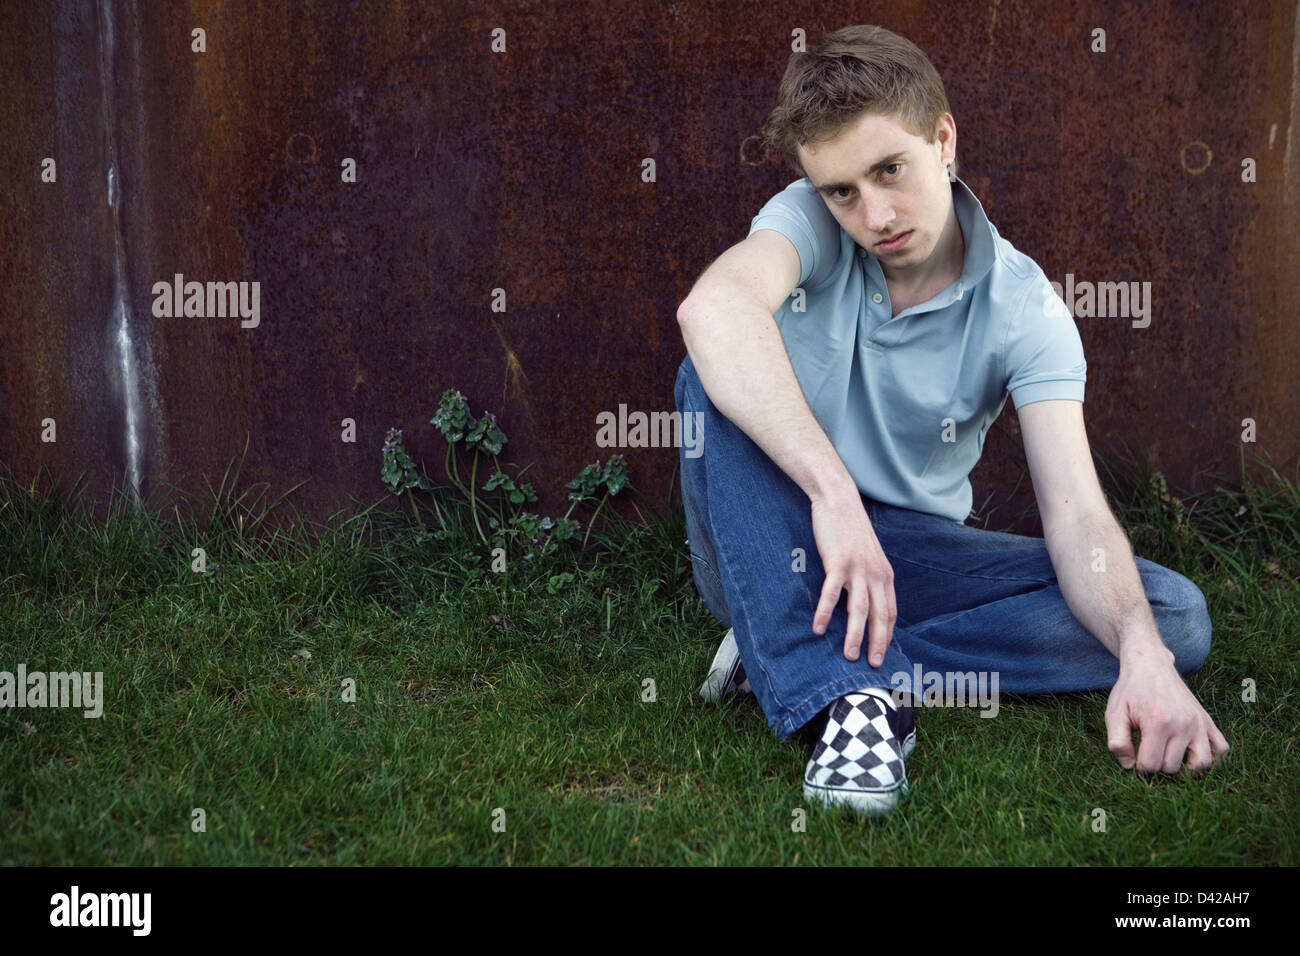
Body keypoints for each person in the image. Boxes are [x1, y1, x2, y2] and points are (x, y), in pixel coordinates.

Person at [673, 24, 1229, 815]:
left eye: (890, 170)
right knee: (712, 368)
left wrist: (1140, 654)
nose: (874, 213)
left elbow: (1075, 518)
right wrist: (832, 495)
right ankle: (854, 694)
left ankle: (780, 648)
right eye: (842, 191)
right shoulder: (813, 227)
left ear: (944, 140)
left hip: (907, 554)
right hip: (771, 531)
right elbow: (714, 307)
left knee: (1171, 619)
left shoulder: (1026, 310)